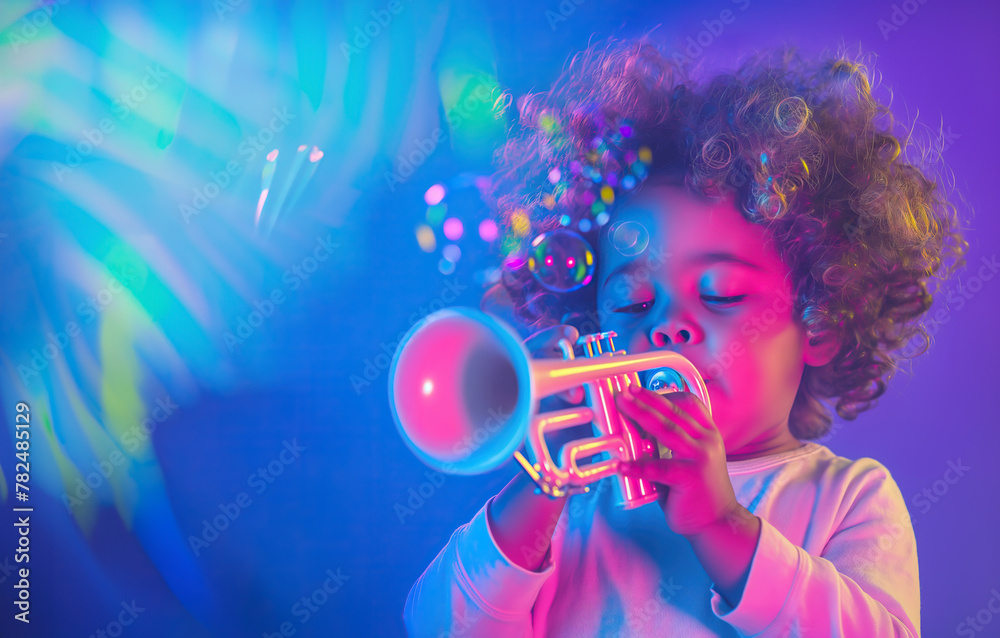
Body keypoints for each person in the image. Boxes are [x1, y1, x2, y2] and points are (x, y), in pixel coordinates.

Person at [403, 38, 966, 636]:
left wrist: (721, 524)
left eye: (722, 294)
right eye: (634, 302)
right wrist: (542, 490)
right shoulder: (573, 505)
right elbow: (436, 625)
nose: (666, 327)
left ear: (819, 320)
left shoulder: (847, 496)